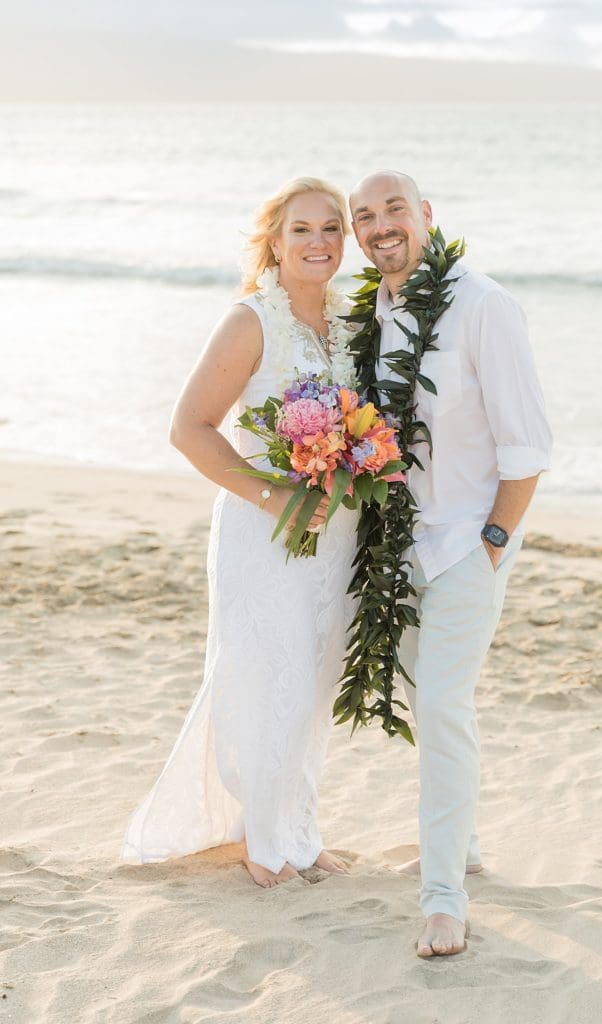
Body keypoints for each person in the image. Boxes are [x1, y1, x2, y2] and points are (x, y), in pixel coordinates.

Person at [121, 177, 358, 888]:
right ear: (274, 242)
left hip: (334, 534)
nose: (317, 242)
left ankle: (296, 829)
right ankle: (261, 834)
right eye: (301, 230)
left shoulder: (351, 322)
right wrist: (270, 496)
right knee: (263, 671)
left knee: (312, 679)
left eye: (330, 228)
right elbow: (188, 428)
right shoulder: (251, 320)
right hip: (266, 529)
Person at [348, 170, 553, 956]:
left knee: (438, 708)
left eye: (393, 208)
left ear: (426, 216)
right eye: (363, 216)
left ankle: (443, 898)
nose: (379, 226)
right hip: (397, 545)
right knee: (427, 701)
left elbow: (527, 445)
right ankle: (458, 847)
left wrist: (493, 545)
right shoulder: (374, 308)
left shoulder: (483, 305)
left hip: (470, 540)